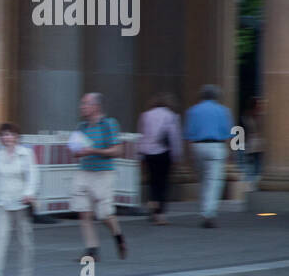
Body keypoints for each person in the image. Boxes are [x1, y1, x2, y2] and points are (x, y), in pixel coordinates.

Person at [0, 123, 39, 276]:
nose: (7, 138)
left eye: (10, 134)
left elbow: (32, 175)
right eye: (4, 135)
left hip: (21, 201)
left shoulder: (26, 153)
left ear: (17, 137)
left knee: (24, 240)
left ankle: (25, 274)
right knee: (0, 237)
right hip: (2, 201)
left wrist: (29, 193)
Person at [70, 92, 127, 261]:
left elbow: (118, 150)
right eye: (82, 104)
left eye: (85, 104)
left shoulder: (109, 124)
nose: (82, 107)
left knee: (104, 214)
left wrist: (94, 151)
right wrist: (77, 153)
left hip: (103, 173)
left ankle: (118, 236)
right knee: (84, 211)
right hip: (84, 171)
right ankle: (92, 250)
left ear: (96, 106)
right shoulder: (81, 127)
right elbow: (76, 151)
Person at [185, 84, 234, 227]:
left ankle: (204, 208)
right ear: (216, 96)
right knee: (213, 181)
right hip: (216, 146)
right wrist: (230, 152)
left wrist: (190, 153)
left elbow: (188, 134)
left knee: (203, 180)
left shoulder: (192, 111)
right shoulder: (223, 111)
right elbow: (228, 133)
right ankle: (208, 213)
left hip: (198, 146)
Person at [137, 92, 183, 224]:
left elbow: (141, 135)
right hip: (164, 153)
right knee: (163, 183)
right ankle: (161, 214)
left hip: (148, 153)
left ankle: (153, 205)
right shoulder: (171, 116)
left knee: (152, 181)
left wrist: (139, 155)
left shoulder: (145, 115)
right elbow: (174, 138)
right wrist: (176, 156)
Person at [240, 96, 265, 190]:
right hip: (252, 143)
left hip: (259, 144)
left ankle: (255, 184)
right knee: (253, 166)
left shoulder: (262, 116)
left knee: (257, 165)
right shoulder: (247, 116)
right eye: (259, 103)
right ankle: (253, 184)